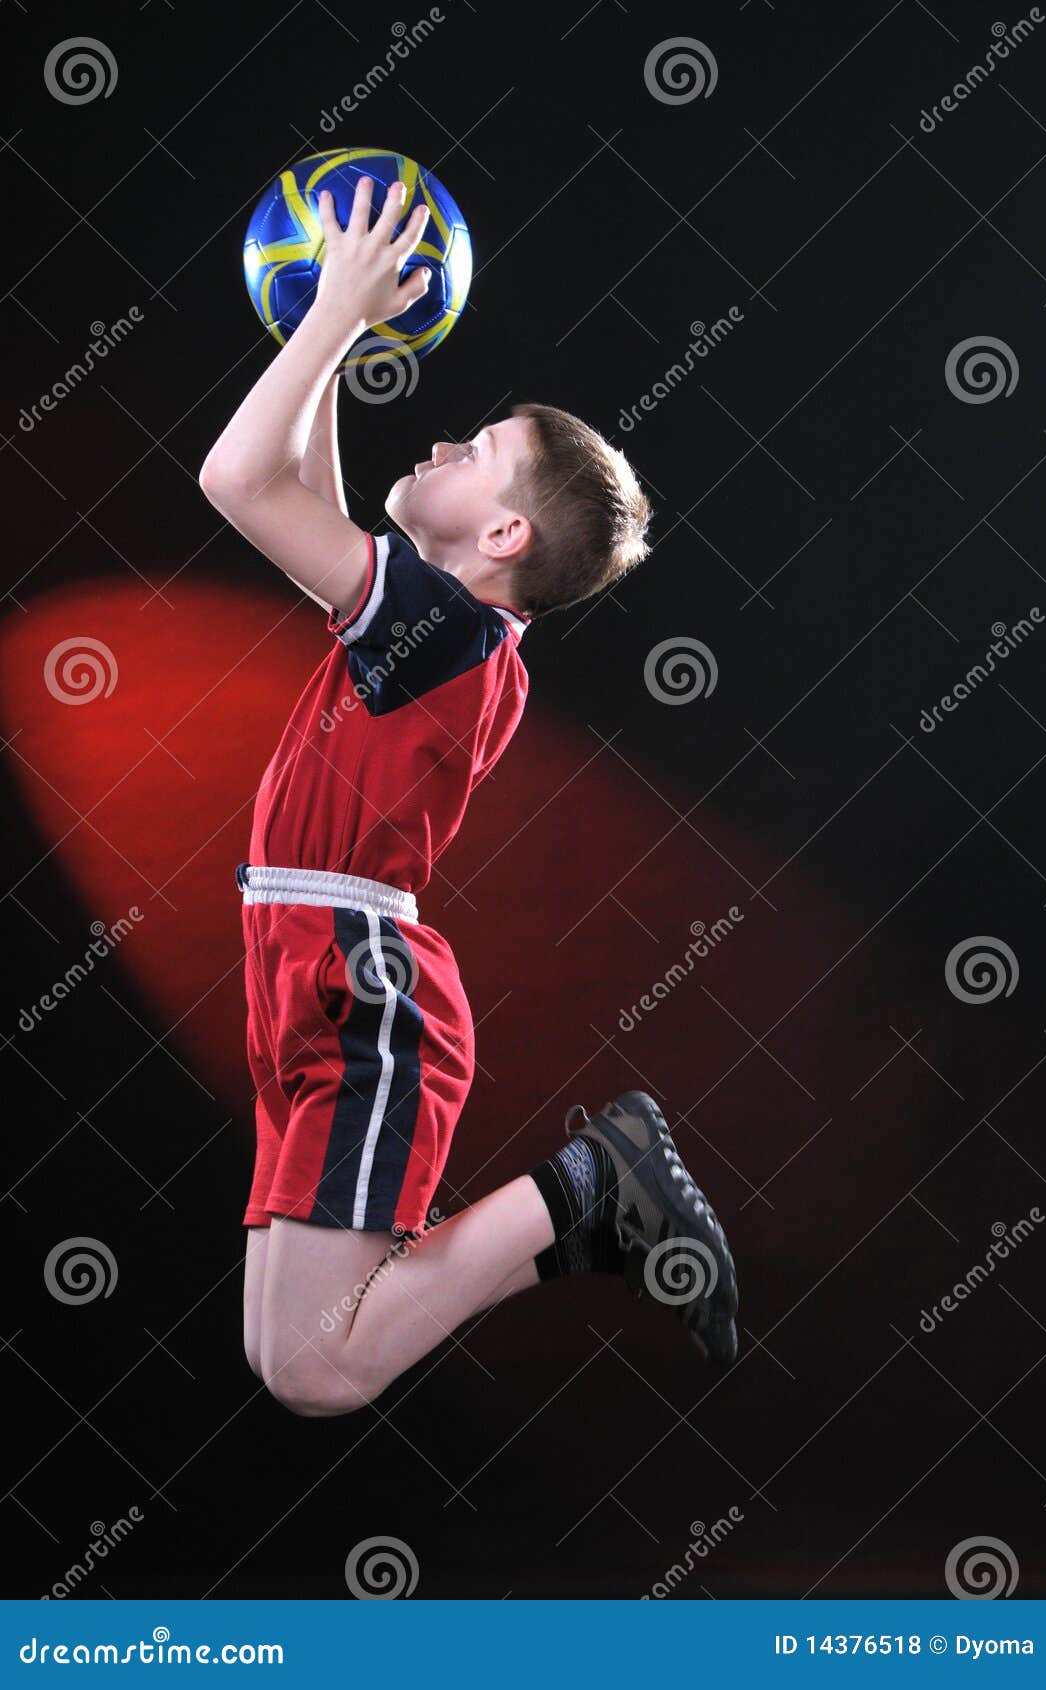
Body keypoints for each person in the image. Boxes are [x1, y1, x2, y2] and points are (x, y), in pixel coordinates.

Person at [199, 174, 738, 1418]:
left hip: (356, 993)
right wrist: (317, 340)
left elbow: (240, 484)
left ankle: (594, 1184)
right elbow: (302, 509)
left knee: (320, 1369)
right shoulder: (432, 631)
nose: (442, 443)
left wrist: (332, 314)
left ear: (500, 541)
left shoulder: (449, 633)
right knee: (291, 1360)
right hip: (306, 963)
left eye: (476, 452)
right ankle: (589, 1192)